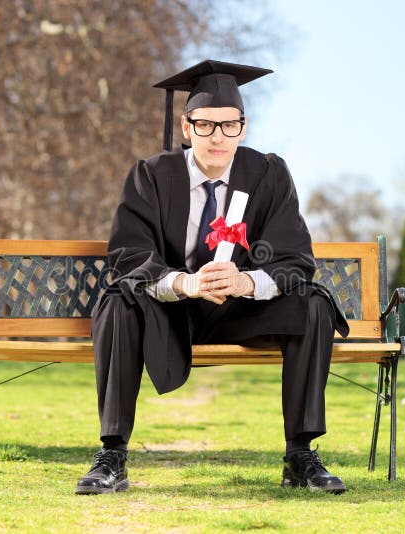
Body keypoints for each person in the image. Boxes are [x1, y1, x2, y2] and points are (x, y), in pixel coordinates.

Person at [75, 60, 350, 495]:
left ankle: (301, 453)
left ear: (243, 128)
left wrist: (245, 281)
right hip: (171, 310)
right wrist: (185, 283)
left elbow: (295, 258)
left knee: (314, 301)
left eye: (228, 126)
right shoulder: (151, 176)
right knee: (116, 300)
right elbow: (128, 255)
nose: (217, 137)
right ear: (187, 128)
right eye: (205, 125)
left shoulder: (268, 175)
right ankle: (112, 455)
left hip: (240, 311)